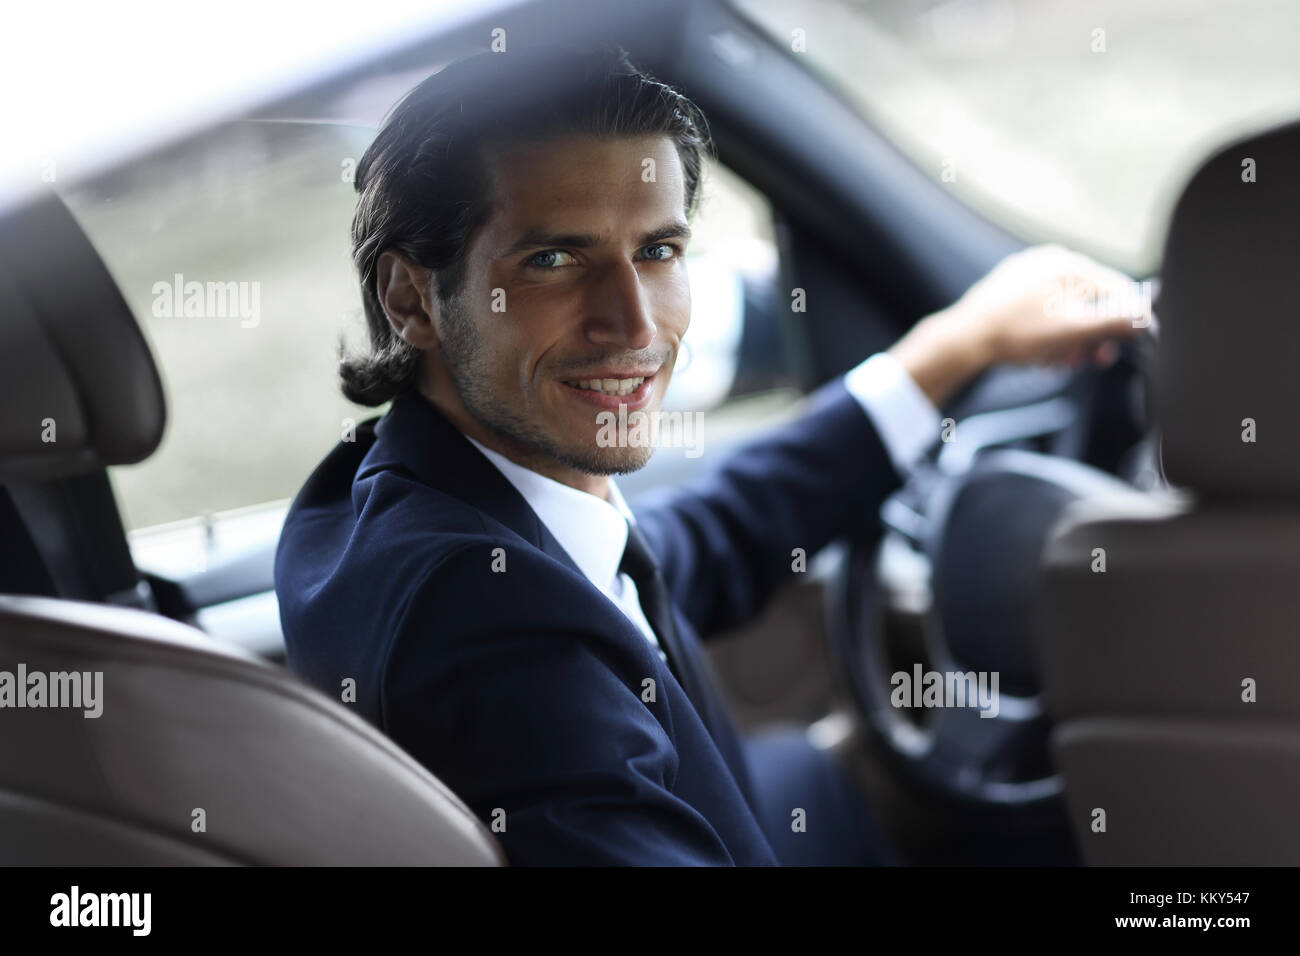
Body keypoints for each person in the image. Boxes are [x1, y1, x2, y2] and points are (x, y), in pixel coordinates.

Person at [274, 47, 1139, 865]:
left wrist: (959, 344)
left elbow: (699, 544)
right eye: (553, 259)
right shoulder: (491, 635)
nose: (636, 325)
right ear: (411, 297)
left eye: (657, 251)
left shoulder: (414, 485)